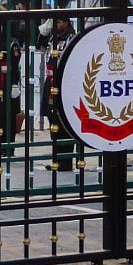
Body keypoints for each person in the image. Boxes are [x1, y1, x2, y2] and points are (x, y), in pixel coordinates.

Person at [39, 16, 77, 172]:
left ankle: (66, 160)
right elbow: (39, 46)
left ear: (67, 23)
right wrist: (44, 30)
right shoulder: (53, 38)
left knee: (64, 122)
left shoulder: (71, 38)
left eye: (59, 21)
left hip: (63, 82)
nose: (56, 24)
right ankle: (56, 158)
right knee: (52, 120)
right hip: (50, 81)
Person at [0, 20, 23, 157]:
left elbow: (14, 65)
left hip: (8, 81)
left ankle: (9, 147)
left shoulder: (13, 43)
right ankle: (0, 147)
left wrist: (14, 84)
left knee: (9, 116)